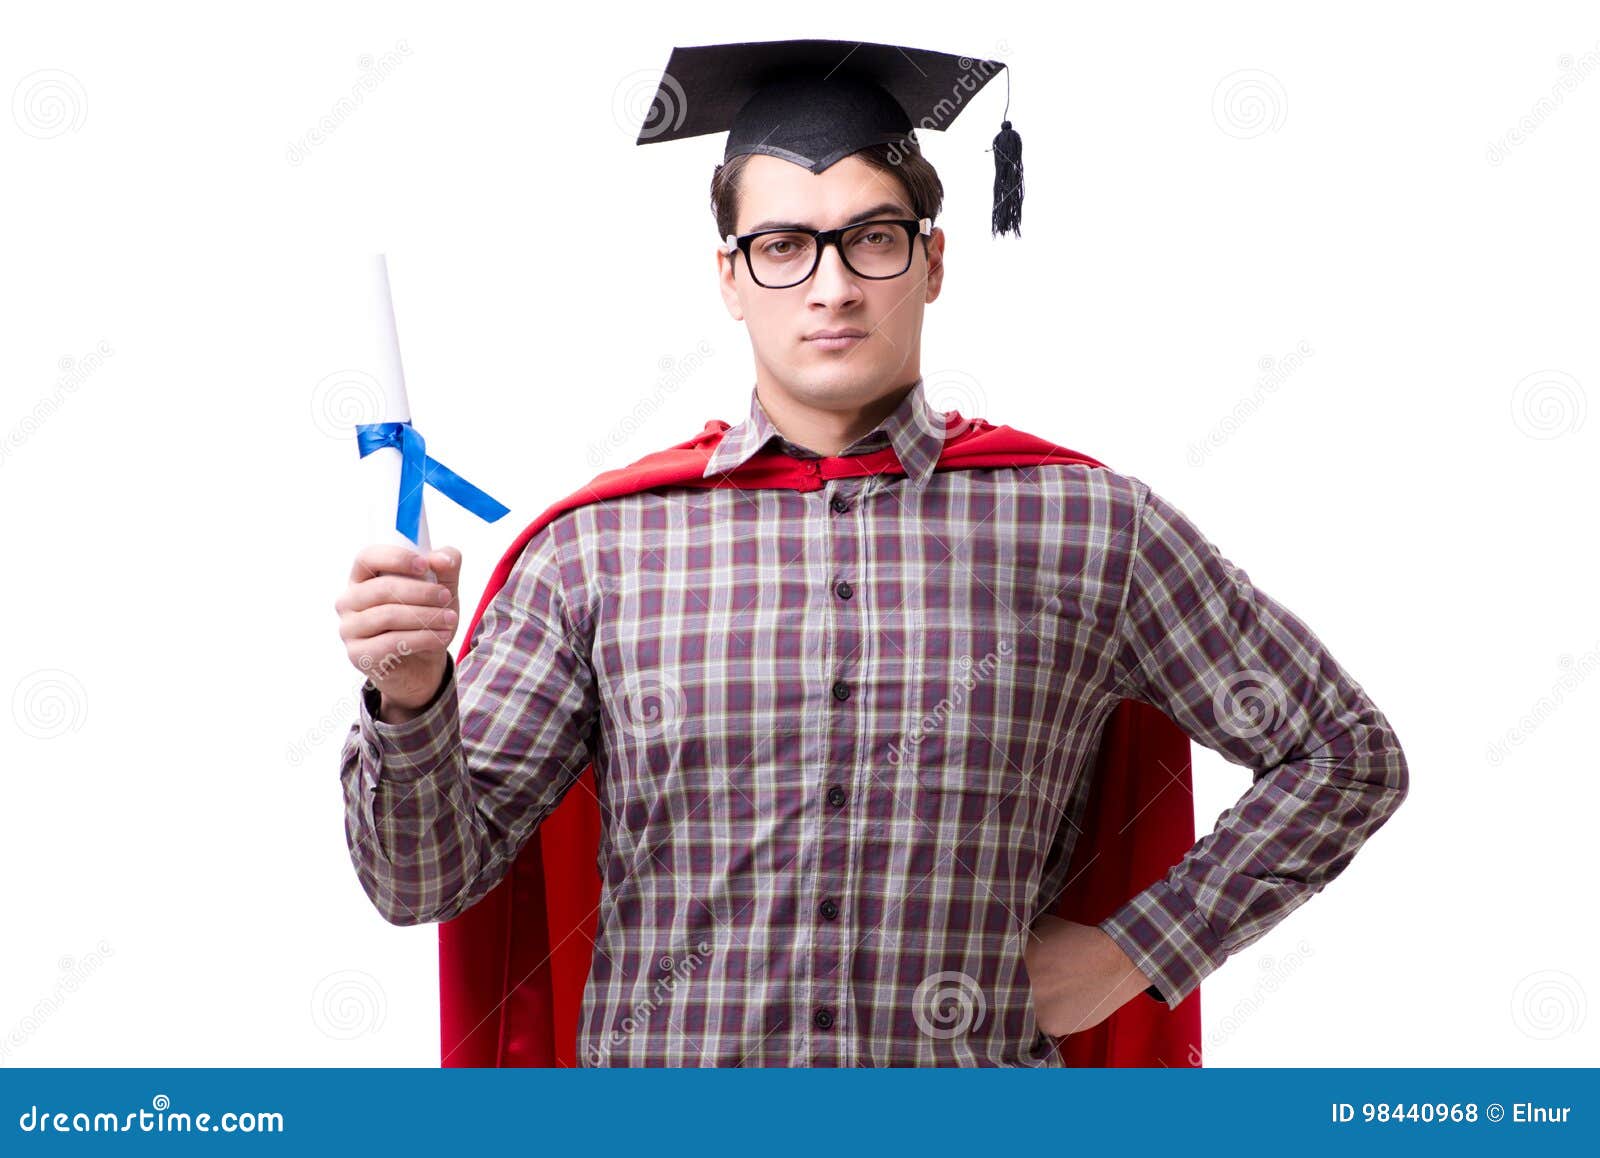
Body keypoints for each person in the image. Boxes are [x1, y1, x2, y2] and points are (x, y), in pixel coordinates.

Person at [333, 39, 1409, 1067]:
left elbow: (1343, 755)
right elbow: (422, 879)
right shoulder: (597, 554)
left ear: (932, 259)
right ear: (730, 277)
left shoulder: (1090, 530)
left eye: (873, 238)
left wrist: (1135, 953)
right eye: (785, 245)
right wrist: (413, 696)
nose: (832, 286)